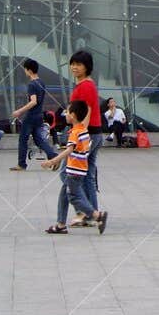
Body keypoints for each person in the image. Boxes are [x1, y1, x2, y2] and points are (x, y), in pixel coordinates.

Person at [42, 100, 107, 236]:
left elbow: (69, 150)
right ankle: (60, 225)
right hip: (81, 170)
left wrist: (53, 160)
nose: (65, 114)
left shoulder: (74, 132)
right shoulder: (83, 130)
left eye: (67, 112)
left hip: (73, 171)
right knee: (63, 195)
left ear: (73, 115)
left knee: (73, 197)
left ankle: (96, 215)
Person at [68, 51, 104, 213]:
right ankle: (91, 213)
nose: (74, 67)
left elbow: (87, 112)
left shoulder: (86, 86)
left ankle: (85, 212)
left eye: (79, 64)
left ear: (87, 67)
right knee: (88, 175)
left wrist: (80, 135)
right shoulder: (86, 84)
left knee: (69, 175)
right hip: (93, 134)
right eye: (73, 64)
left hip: (88, 134)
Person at [10, 58, 59, 171]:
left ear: (29, 70)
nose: (25, 71)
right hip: (39, 116)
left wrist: (19, 111)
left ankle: (21, 164)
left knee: (23, 139)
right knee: (39, 139)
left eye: (25, 69)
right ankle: (54, 157)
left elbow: (33, 101)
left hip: (31, 116)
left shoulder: (32, 84)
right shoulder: (41, 82)